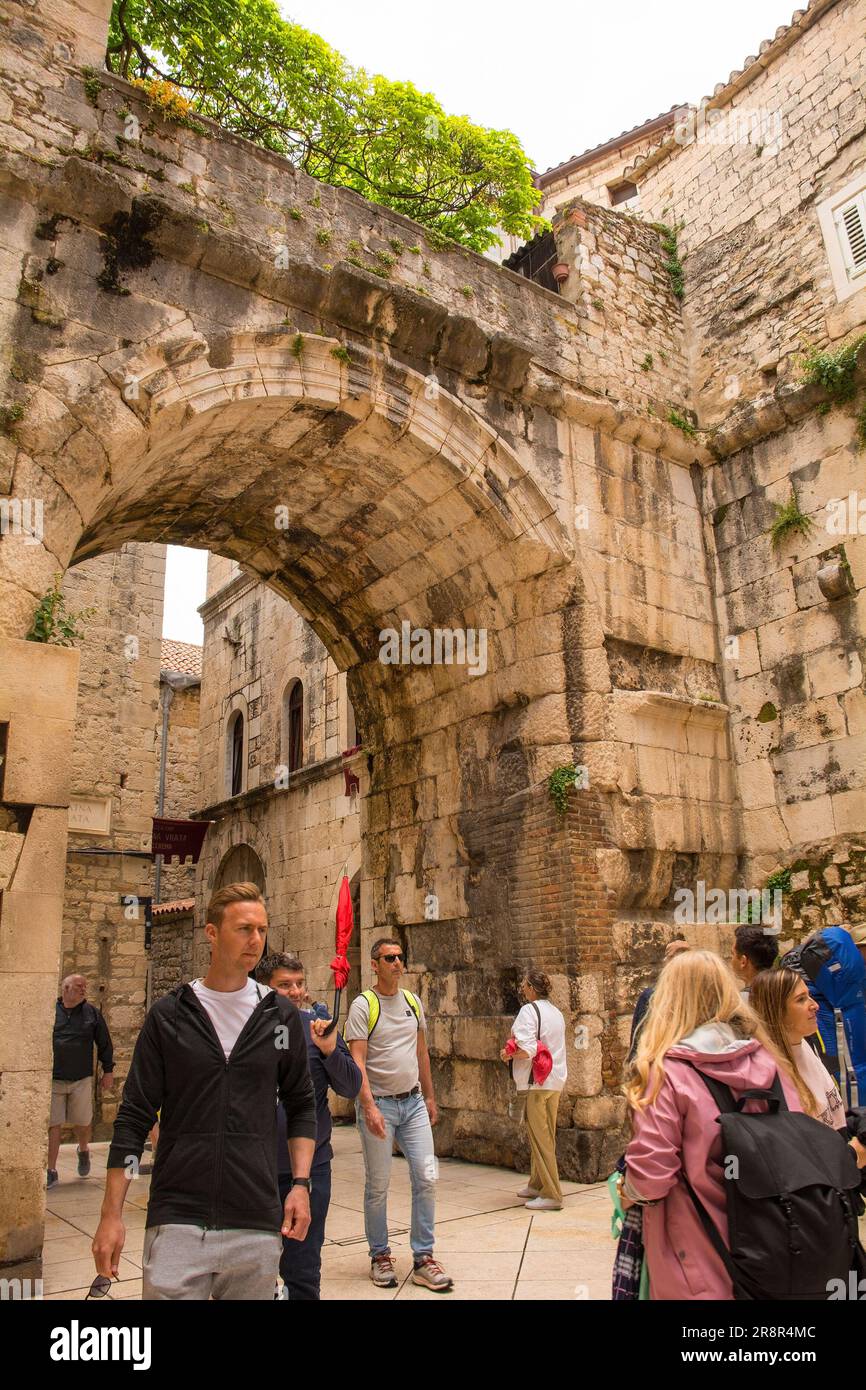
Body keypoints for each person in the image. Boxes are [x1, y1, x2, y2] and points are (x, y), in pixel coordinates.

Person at [92, 883, 317, 1300]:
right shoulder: (170, 1017)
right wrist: (112, 1214)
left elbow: (300, 1102)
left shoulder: (280, 1018)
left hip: (254, 1220)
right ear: (211, 933)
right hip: (178, 1219)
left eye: (262, 930)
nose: (256, 940)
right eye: (244, 929)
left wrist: (301, 1184)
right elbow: (134, 1118)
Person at [620, 949, 808, 1299]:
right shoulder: (768, 1062)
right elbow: (798, 1140)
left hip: (696, 1253)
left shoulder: (667, 1074)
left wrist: (628, 1191)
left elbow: (651, 1176)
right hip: (773, 1244)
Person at [345, 937, 452, 1291]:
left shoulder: (412, 1001)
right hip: (381, 1105)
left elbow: (422, 1054)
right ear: (374, 964)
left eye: (400, 957)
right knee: (378, 1184)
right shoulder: (364, 1006)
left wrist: (431, 1097)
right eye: (388, 958)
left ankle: (423, 1258)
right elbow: (356, 1061)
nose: (396, 963)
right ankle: (379, 1255)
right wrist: (369, 1106)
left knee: (428, 1176)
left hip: (414, 1103)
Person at [256, 952, 362, 1300]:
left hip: (310, 1171)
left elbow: (351, 1086)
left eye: (300, 983)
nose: (296, 991)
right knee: (251, 1271)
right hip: (254, 1171)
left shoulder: (318, 1029)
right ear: (263, 990)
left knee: (302, 1269)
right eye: (284, 985)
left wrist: (331, 1050)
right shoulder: (244, 1032)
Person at [749, 966, 866, 1170]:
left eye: (809, 996)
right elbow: (794, 1155)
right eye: (801, 999)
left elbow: (829, 1117)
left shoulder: (804, 1043)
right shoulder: (768, 1072)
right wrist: (852, 1154)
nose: (814, 1005)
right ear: (777, 1010)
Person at [499, 969, 567, 1211]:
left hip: (535, 1082)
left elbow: (527, 1048)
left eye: (525, 985)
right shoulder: (556, 1012)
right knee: (544, 1134)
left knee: (540, 1137)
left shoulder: (528, 1011)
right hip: (554, 1080)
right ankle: (537, 1183)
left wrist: (508, 1054)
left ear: (531, 988)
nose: (523, 989)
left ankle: (552, 1193)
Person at [48, 974, 114, 1188]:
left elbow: (104, 1042)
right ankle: (51, 1169)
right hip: (54, 1078)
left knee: (83, 1122)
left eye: (85, 986)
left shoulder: (91, 1014)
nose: (84, 990)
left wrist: (108, 1071)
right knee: (53, 1125)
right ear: (66, 988)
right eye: (79, 986)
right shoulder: (51, 1011)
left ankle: (83, 1149)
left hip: (81, 1078)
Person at [628, 939, 691, 1059]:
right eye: (675, 956)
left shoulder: (704, 998)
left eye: (684, 955)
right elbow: (638, 1045)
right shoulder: (651, 997)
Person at [731, 924, 778, 993]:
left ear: (743, 961)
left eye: (733, 954)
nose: (732, 959)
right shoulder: (785, 995)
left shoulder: (740, 1002)